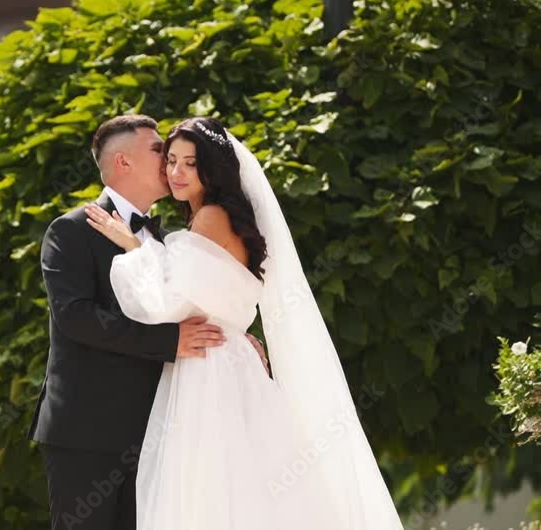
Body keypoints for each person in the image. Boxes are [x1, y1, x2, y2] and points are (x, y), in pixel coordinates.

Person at [83, 116, 404, 529]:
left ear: (211, 169)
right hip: (223, 354)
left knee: (209, 491)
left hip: (209, 367)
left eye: (190, 163)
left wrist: (132, 246)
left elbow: (170, 302)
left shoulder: (211, 218)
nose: (175, 172)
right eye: (172, 161)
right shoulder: (213, 219)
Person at [27, 115, 268, 530]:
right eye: (159, 150)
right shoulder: (69, 231)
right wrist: (172, 341)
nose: (169, 162)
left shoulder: (164, 236)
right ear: (123, 162)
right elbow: (77, 318)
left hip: (159, 430)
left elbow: (184, 301)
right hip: (89, 432)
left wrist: (231, 335)